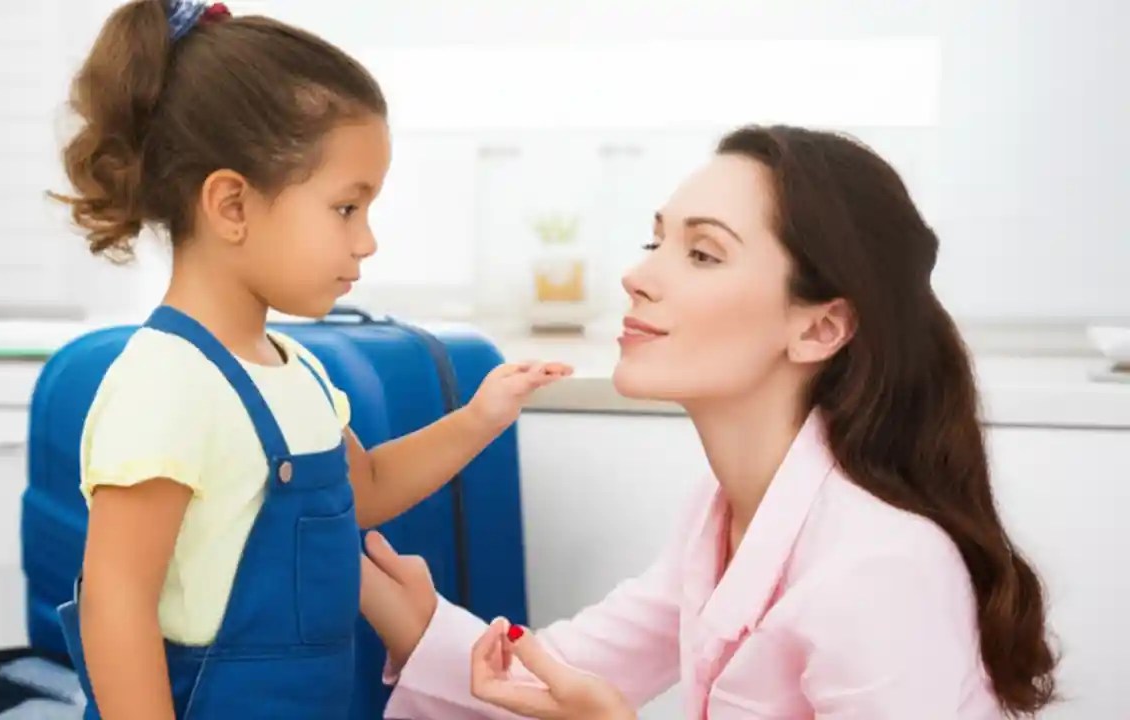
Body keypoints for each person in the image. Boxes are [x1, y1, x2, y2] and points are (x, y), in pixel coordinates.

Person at [359, 124, 1059, 719]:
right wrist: (416, 620)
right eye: (654, 242)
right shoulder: (724, 516)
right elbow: (561, 672)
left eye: (702, 253)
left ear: (820, 329)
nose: (638, 277)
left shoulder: (880, 567)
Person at [46, 1, 570, 717]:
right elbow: (116, 607)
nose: (367, 241)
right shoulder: (165, 385)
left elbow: (372, 485)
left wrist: (482, 416)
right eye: (346, 208)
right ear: (232, 205)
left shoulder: (296, 371)